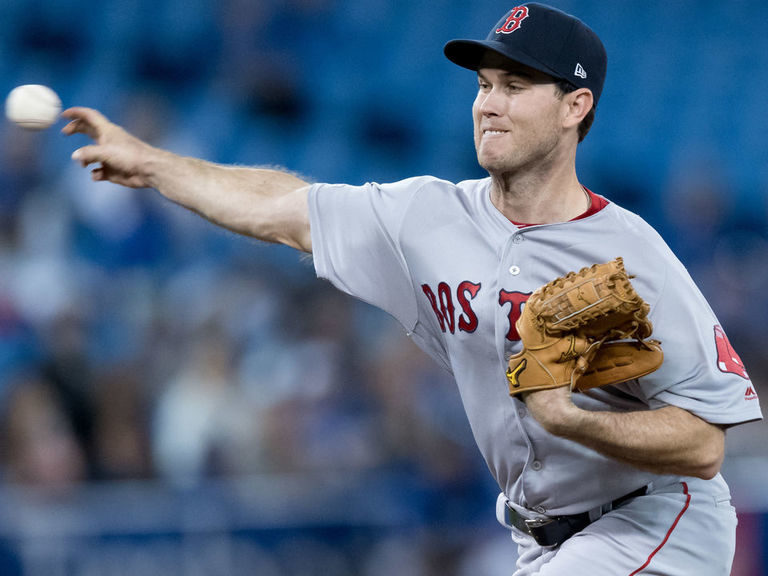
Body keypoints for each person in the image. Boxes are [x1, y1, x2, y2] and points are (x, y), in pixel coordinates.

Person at [62, 3, 762, 575]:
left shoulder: (629, 255)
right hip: (539, 538)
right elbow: (281, 209)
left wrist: (573, 419)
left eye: (515, 88)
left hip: (655, 522)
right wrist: (152, 164)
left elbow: (704, 444)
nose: (489, 104)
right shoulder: (428, 218)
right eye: (484, 85)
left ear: (576, 106)